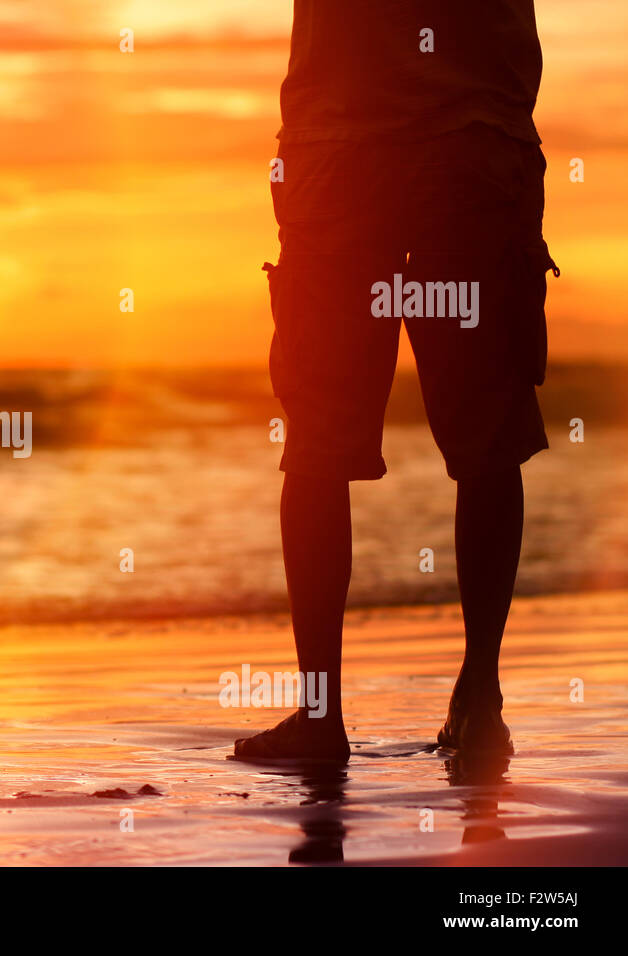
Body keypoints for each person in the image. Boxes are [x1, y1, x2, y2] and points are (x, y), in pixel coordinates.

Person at [236, 1, 558, 761]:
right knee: (488, 432)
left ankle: (322, 716)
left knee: (317, 436)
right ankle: (479, 700)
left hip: (341, 149)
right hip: (473, 144)